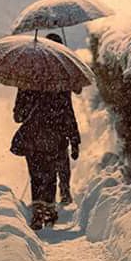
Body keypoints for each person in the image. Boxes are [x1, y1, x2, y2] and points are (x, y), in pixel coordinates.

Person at [10, 82, 81, 231]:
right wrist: (74, 140)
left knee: (36, 177)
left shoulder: (26, 82)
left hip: (32, 139)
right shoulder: (60, 83)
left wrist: (30, 109)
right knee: (50, 177)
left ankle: (38, 213)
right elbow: (68, 113)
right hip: (55, 138)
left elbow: (18, 116)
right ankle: (49, 210)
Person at [46, 32, 79, 206]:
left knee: (46, 167)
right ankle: (64, 190)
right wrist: (74, 140)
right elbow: (69, 107)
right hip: (60, 126)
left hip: (42, 129)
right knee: (61, 162)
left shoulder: (36, 71)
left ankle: (46, 201)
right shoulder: (63, 71)